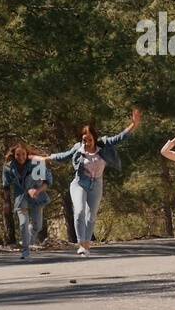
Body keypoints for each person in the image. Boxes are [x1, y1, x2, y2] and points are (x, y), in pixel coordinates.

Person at [32, 109, 141, 256]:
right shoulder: (78, 149)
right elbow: (64, 156)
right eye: (84, 140)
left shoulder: (104, 144)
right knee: (79, 212)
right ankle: (81, 243)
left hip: (96, 184)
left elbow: (120, 137)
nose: (87, 142)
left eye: (89, 139)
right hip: (79, 183)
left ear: (94, 138)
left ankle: (87, 245)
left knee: (91, 217)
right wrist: (46, 158)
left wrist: (133, 125)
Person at [1, 143, 52, 260]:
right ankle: (25, 251)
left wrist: (38, 191)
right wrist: (7, 202)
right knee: (23, 223)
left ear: (27, 154)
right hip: (21, 196)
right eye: (18, 154)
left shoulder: (36, 163)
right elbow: (6, 186)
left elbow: (47, 181)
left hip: (36, 196)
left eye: (23, 154)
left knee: (37, 226)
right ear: (14, 155)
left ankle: (27, 239)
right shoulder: (8, 167)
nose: (21, 157)